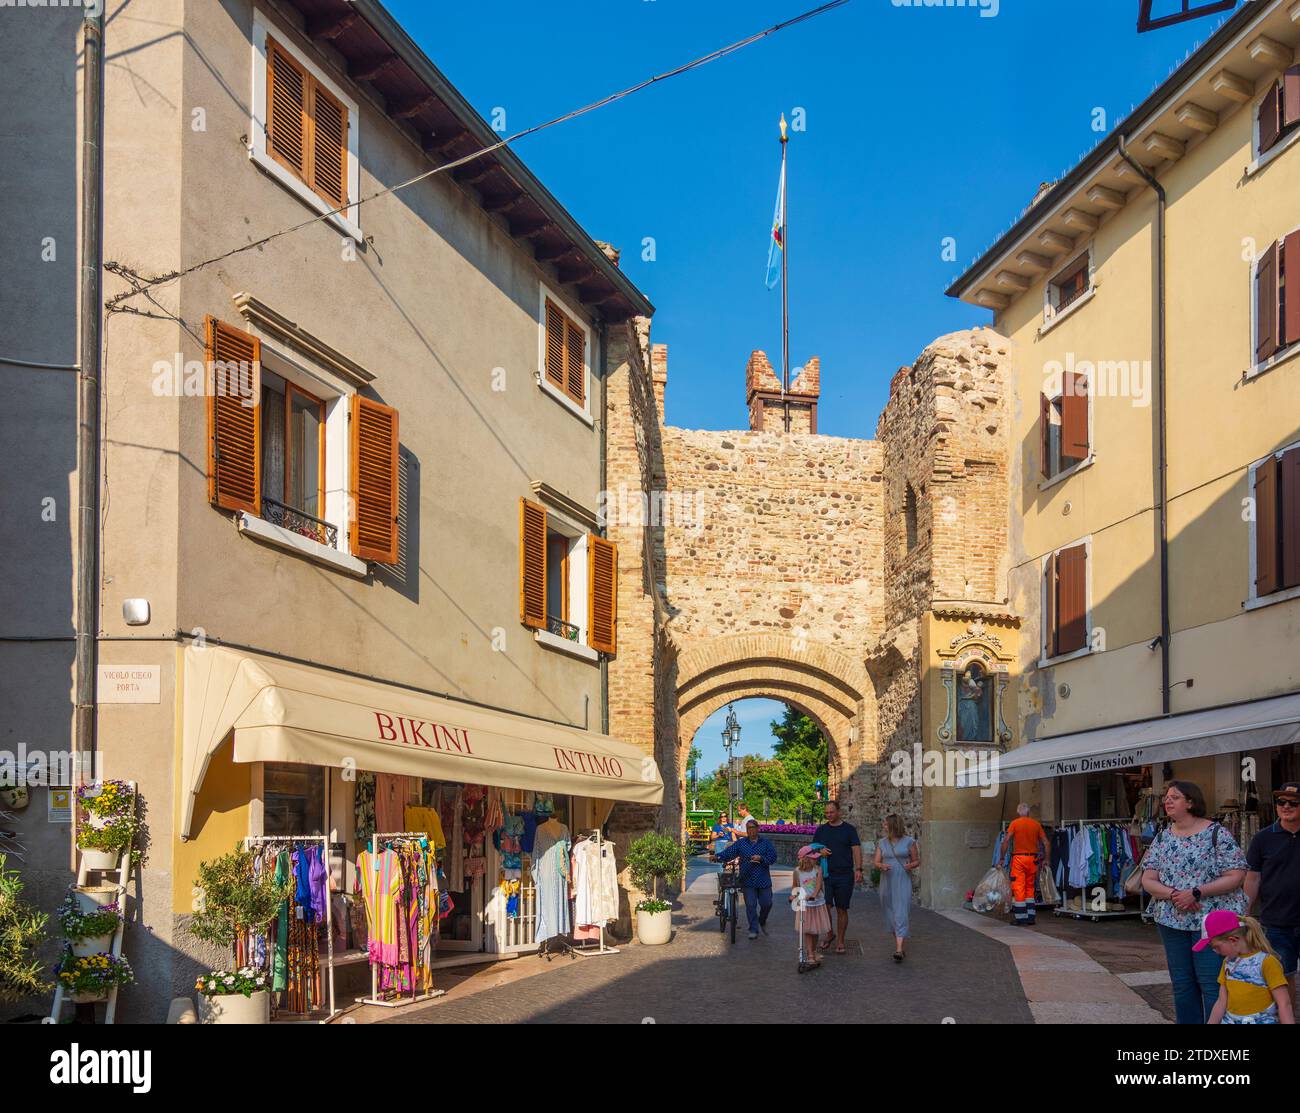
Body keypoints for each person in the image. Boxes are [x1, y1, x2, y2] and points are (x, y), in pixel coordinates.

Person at [1141, 781, 1249, 1024]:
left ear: (1190, 802)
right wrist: (1175, 894)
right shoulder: (1162, 837)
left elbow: (1236, 875)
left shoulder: (1216, 833)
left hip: (1211, 923)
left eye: (1175, 797)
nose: (1167, 801)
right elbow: (1148, 878)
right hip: (1172, 920)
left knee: (1212, 983)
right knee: (1182, 985)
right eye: (1167, 797)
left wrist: (1197, 892)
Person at [1244, 782, 1300, 998]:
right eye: (1281, 802)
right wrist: (1246, 912)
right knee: (1282, 979)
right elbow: (1252, 877)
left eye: (1293, 802)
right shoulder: (1262, 838)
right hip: (1276, 922)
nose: (1286, 806)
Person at [1199, 910, 1294, 1025]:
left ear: (1233, 940)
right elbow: (1221, 1001)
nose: (1215, 952)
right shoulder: (1227, 962)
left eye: (1217, 947)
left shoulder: (1267, 962)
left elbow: (1284, 1003)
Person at [714, 818, 777, 939]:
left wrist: (761, 858)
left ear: (757, 829)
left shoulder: (765, 843)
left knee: (767, 903)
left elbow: (773, 857)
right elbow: (729, 852)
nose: (750, 831)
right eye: (748, 829)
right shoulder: (741, 843)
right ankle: (753, 929)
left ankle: (762, 920)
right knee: (751, 905)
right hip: (747, 879)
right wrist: (718, 856)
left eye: (752, 828)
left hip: (763, 879)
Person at [813, 799, 862, 954]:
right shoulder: (821, 830)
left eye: (831, 812)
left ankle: (840, 940)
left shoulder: (849, 830)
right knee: (825, 907)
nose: (829, 815)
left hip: (845, 874)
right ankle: (829, 934)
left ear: (839, 811)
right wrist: (819, 852)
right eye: (826, 813)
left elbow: (856, 849)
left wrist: (859, 869)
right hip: (826, 875)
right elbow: (812, 850)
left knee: (842, 909)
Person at [874, 814, 919, 961]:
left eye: (886, 824)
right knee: (889, 912)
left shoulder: (909, 842)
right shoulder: (882, 842)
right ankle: (898, 941)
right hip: (886, 880)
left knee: (900, 912)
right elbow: (876, 861)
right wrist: (881, 865)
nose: (884, 826)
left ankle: (899, 949)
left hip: (902, 878)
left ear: (893, 825)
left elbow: (917, 861)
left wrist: (909, 865)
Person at [1005, 803, 1049, 927]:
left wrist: (1002, 858)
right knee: (1030, 888)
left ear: (1018, 813)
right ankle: (1031, 917)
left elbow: (1006, 840)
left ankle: (1021, 918)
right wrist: (1047, 858)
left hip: (1019, 859)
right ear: (1028, 813)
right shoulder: (1036, 824)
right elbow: (1046, 842)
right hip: (1032, 859)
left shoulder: (1014, 823)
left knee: (1019, 888)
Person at [791, 847, 830, 968]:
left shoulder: (818, 870)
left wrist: (813, 895)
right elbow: (795, 886)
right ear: (806, 859)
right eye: (813, 858)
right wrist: (793, 896)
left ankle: (813, 951)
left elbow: (818, 885)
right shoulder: (797, 871)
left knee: (815, 929)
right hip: (805, 905)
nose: (816, 860)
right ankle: (810, 955)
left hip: (817, 902)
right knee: (808, 930)